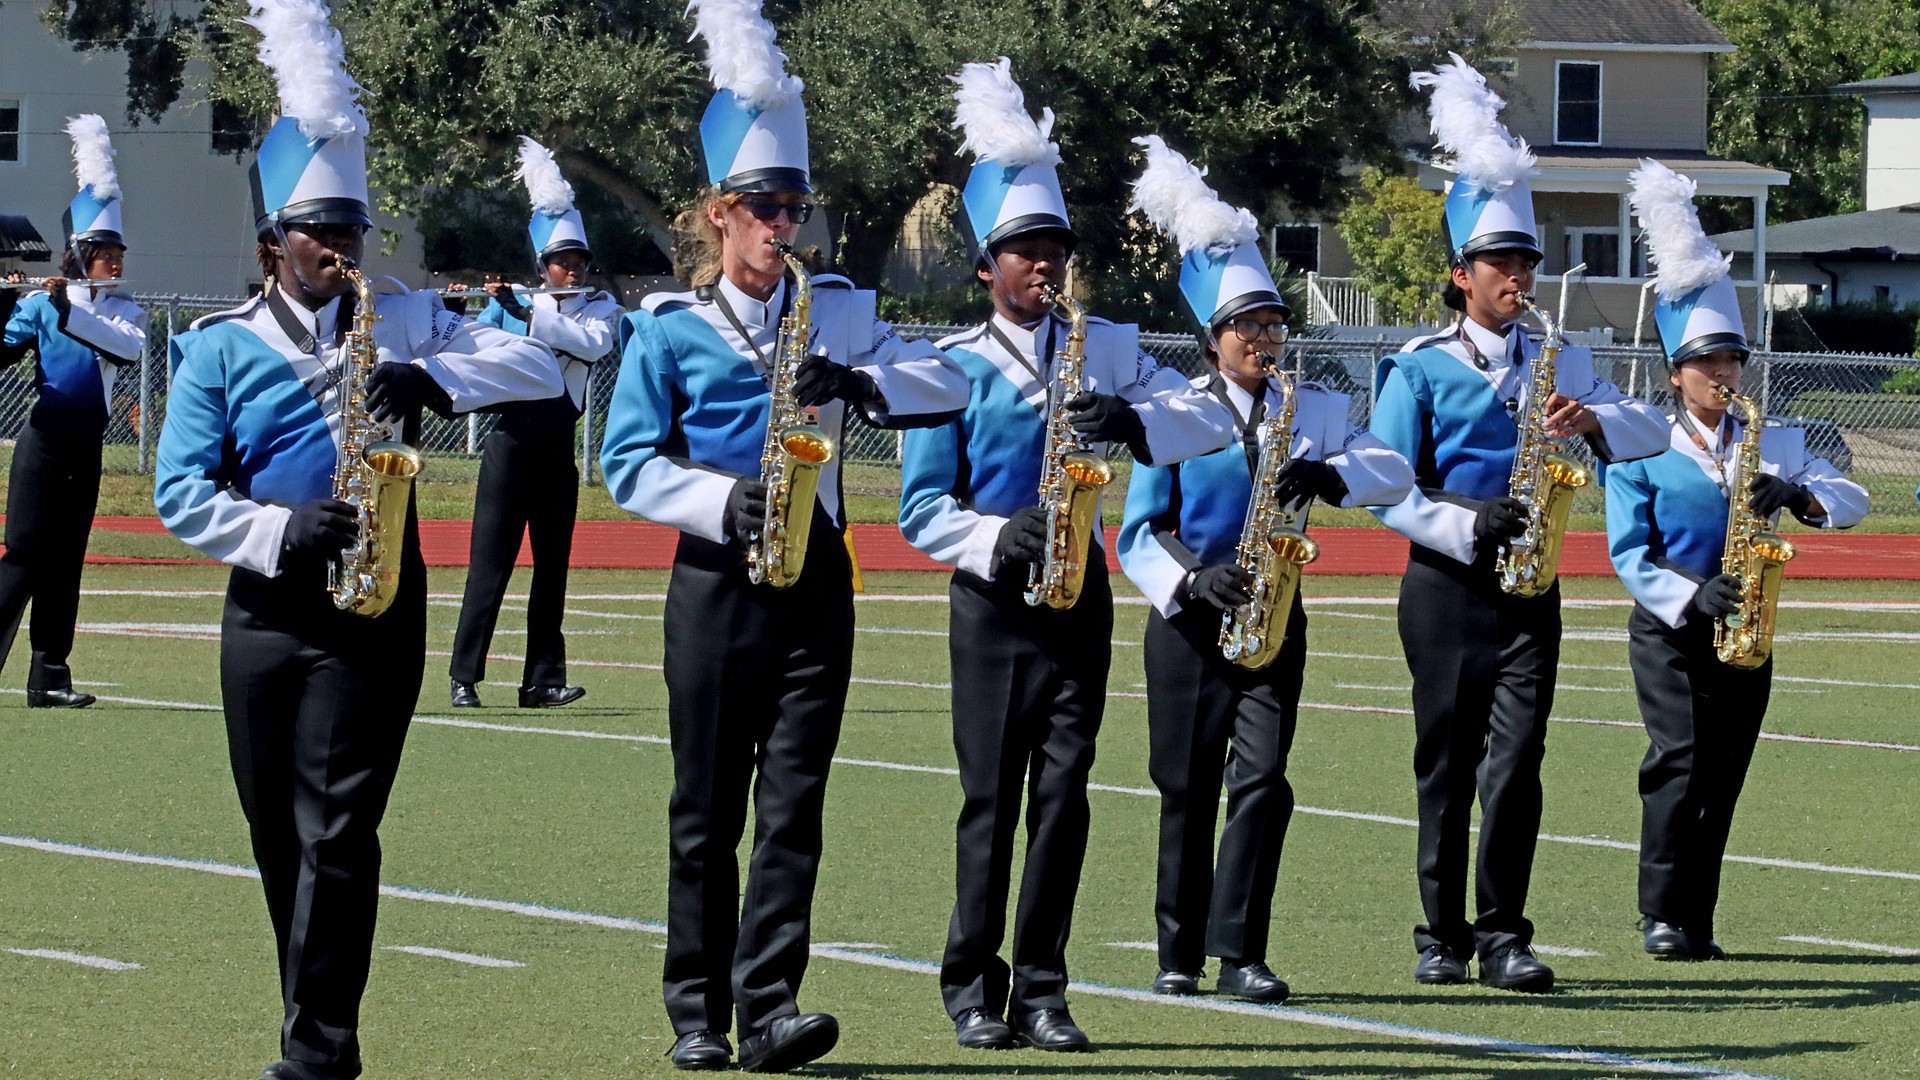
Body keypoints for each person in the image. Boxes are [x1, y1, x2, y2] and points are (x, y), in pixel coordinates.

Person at [153, 5, 561, 1077]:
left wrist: (434, 376)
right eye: (318, 234)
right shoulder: (218, 353)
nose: (340, 250)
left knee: (338, 832)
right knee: (277, 838)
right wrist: (281, 527)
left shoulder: (407, 316)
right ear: (272, 245)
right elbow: (178, 494)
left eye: (352, 233)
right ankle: (309, 1010)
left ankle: (321, 1048)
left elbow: (542, 370)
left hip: (374, 607)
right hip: (268, 607)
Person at [598, 2, 968, 1071]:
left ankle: (770, 1007)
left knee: (795, 807)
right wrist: (724, 504)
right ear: (721, 215)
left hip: (819, 581)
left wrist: (860, 380)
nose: (783, 227)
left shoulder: (837, 306)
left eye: (794, 208)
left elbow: (947, 381)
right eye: (764, 208)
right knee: (706, 808)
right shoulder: (670, 327)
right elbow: (626, 463)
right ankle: (694, 1011)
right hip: (718, 576)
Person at [898, 61, 1233, 1053]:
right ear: (987, 267)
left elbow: (1208, 412)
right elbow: (919, 510)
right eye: (1025, 252)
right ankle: (971, 982)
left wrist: (1132, 418)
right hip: (994, 606)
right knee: (992, 801)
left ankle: (1043, 984)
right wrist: (995, 537)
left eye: (1054, 250)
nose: (1045, 266)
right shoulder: (951, 365)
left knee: (1065, 797)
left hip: (1079, 600)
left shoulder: (1108, 344)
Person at [1370, 56, 1668, 993]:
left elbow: (1650, 427)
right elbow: (1384, 485)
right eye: (1502, 264)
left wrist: (1593, 420)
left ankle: (1503, 932)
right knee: (1446, 769)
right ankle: (1440, 932)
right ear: (1462, 275)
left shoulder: (1561, 354)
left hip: (1531, 590)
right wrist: (1466, 523)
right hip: (1448, 586)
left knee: (1520, 765)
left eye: (1527, 263)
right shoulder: (1419, 367)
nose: (1519, 278)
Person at [1117, 136, 1414, 1002]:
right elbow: (1138, 532)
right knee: (1186, 787)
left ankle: (1242, 949)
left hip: (1275, 618)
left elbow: (1393, 469)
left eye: (1275, 324)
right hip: (1189, 619)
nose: (1265, 339)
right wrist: (1190, 581)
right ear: (1214, 339)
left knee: (1264, 783)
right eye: (1249, 326)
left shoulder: (1313, 406)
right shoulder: (1169, 411)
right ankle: (1179, 953)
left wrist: (1335, 473)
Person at [1608, 159, 1867, 959]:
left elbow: (1852, 503)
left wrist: (1794, 492)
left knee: (1724, 775)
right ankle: (1659, 912)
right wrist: (1693, 597)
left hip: (1748, 628)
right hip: (1671, 626)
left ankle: (1700, 920)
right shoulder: (1640, 444)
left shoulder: (1777, 438)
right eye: (1707, 364)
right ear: (1674, 372)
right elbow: (1628, 551)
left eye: (1732, 363)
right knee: (1679, 764)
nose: (1723, 376)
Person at [447, 137, 621, 709]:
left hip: (556, 453)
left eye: (578, 259)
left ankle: (541, 680)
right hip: (509, 448)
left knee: (552, 572)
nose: (570, 267)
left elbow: (592, 348)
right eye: (560, 259)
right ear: (541, 264)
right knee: (488, 567)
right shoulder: (512, 302)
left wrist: (529, 313)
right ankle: (463, 677)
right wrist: (457, 311)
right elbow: (474, 344)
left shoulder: (599, 308)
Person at [0, 115, 145, 708]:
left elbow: (125, 350)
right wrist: (5, 299)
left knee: (66, 564)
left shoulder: (122, 311)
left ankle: (49, 676)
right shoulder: (40, 306)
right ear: (80, 255)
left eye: (116, 251)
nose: (114, 260)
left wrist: (67, 307)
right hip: (44, 444)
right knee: (23, 557)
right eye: (104, 252)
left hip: (87, 449)